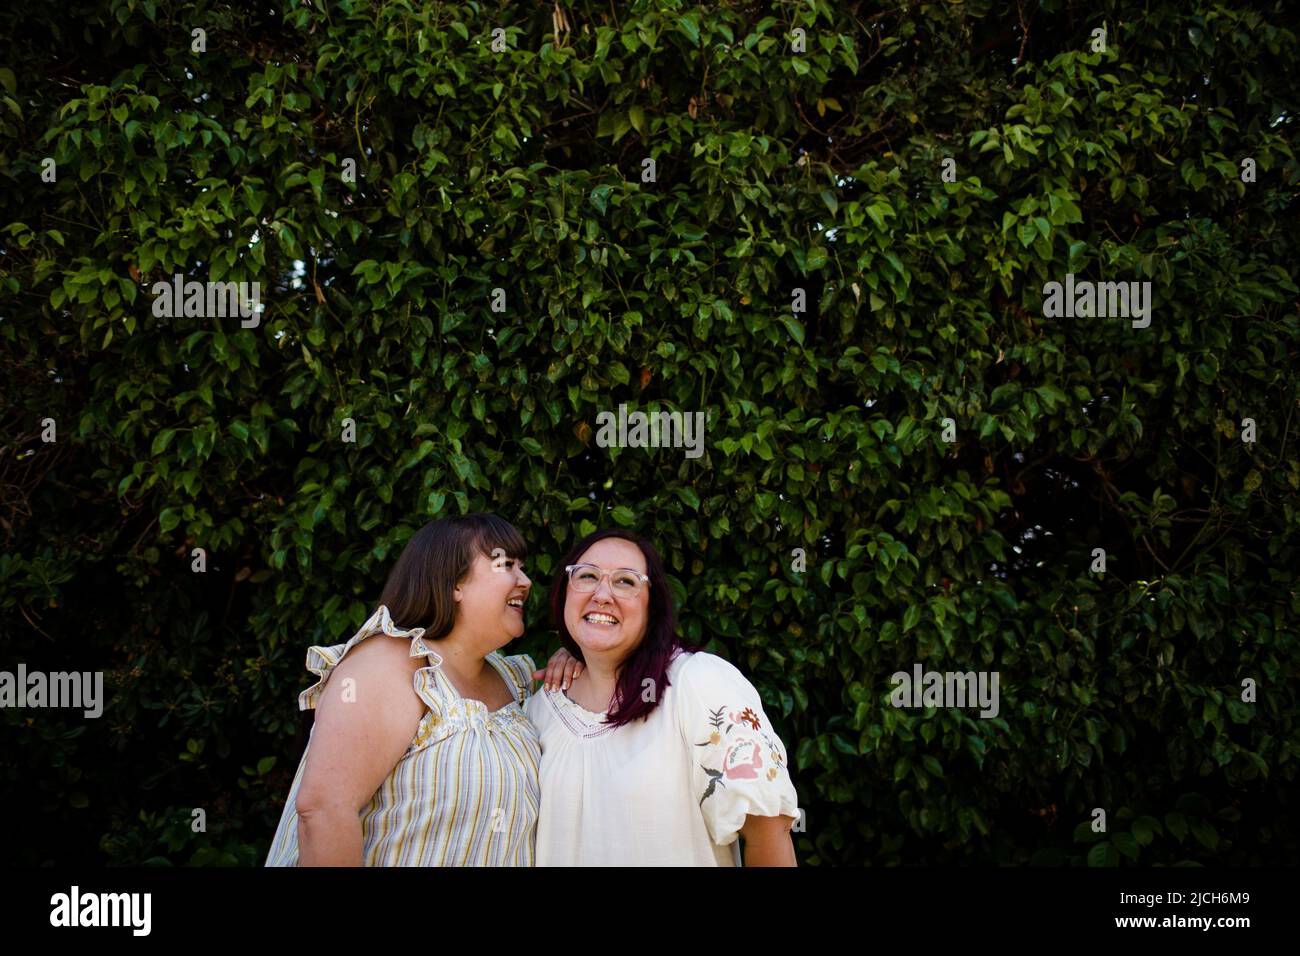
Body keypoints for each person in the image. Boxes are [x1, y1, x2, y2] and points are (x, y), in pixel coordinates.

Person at [265, 513, 579, 866]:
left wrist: (579, 657)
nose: (525, 580)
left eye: (522, 567)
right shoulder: (389, 666)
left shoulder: (511, 680)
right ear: (454, 582)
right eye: (506, 564)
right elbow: (323, 810)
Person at [526, 528, 802, 866]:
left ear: (652, 606)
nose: (602, 593)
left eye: (626, 581)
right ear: (563, 593)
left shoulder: (697, 684)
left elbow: (768, 833)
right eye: (587, 576)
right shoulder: (538, 709)